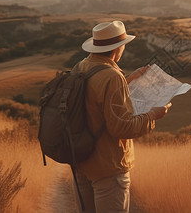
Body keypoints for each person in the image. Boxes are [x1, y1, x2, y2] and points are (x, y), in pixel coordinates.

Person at [71, 20, 171, 213]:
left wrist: (129, 79)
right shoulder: (111, 76)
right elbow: (121, 128)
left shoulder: (81, 66)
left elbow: (94, 99)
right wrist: (153, 115)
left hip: (81, 160)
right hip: (108, 165)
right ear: (118, 48)